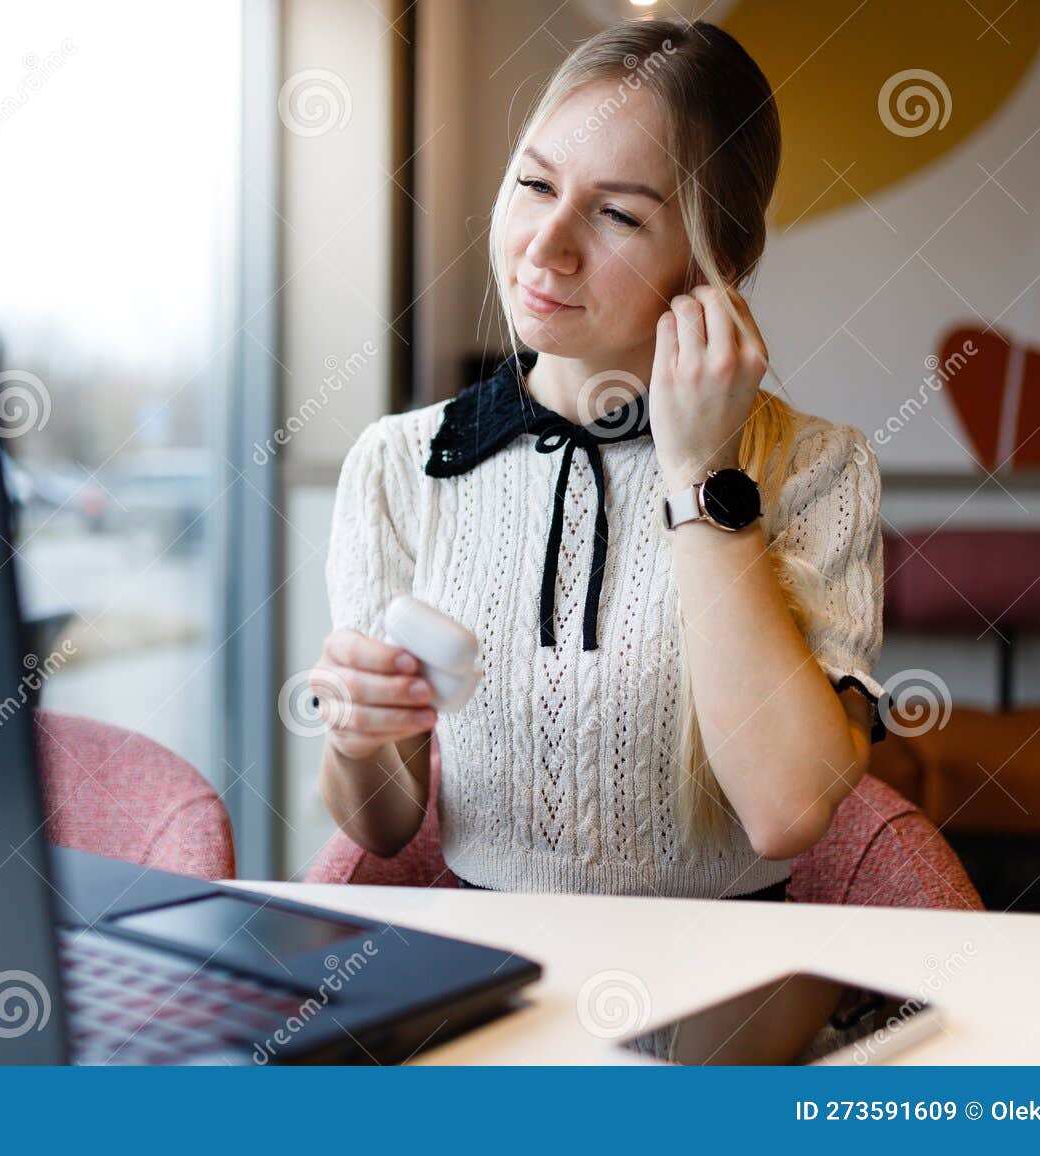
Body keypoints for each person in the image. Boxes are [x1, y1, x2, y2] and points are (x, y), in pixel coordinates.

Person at [316, 18, 888, 907]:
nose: (546, 246)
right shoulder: (399, 464)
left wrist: (702, 474)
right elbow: (384, 826)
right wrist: (356, 737)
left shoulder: (819, 467)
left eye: (617, 214)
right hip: (495, 984)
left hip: (723, 1001)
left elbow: (786, 812)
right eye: (535, 184)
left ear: (717, 261)